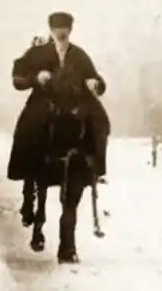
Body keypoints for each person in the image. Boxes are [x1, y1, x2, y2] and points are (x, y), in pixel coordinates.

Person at [9, 12, 109, 228]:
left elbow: (95, 78)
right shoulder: (37, 53)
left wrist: (95, 84)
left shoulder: (79, 55)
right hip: (46, 101)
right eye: (57, 29)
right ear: (52, 30)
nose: (61, 33)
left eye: (65, 29)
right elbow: (18, 78)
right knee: (30, 125)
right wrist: (36, 78)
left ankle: (95, 166)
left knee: (99, 120)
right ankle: (26, 171)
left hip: (73, 104)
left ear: (70, 31)